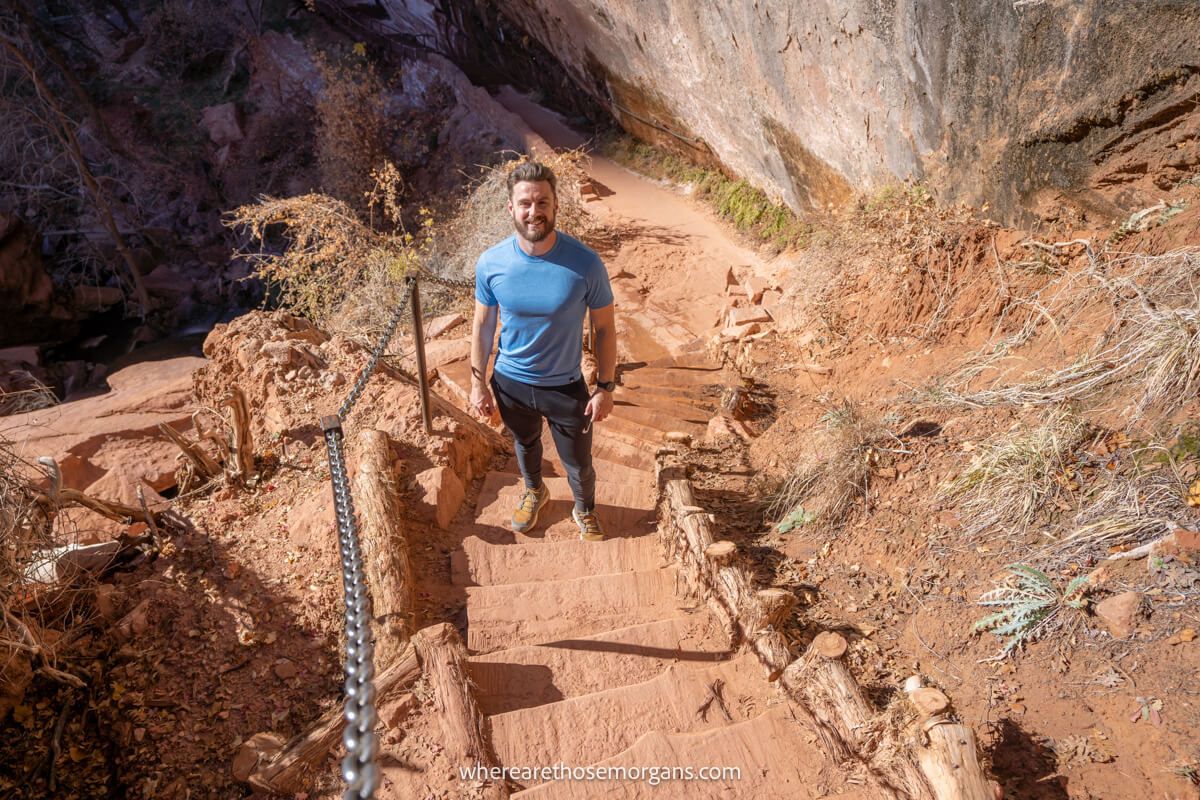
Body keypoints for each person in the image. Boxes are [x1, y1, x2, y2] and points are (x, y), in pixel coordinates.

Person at [469, 161, 617, 541]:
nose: (534, 211)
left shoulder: (585, 264)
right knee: (525, 443)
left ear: (555, 206)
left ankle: (583, 508)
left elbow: (604, 328)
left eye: (542, 202)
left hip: (565, 386)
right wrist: (477, 383)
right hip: (510, 382)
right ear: (510, 208)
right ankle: (535, 490)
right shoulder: (491, 263)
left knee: (578, 462)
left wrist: (605, 387)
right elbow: (484, 324)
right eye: (525, 203)